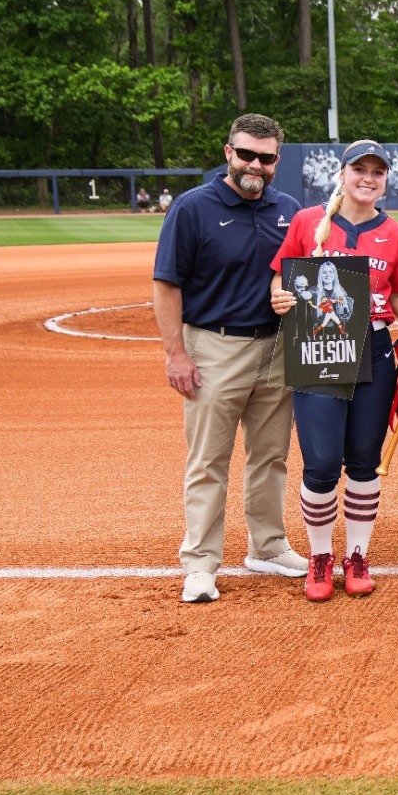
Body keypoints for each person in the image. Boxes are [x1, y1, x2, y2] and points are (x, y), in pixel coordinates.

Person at [152, 114, 307, 604]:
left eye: (265, 158)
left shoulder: (289, 208)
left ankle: (267, 545)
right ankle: (200, 562)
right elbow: (166, 283)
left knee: (271, 455)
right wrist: (176, 353)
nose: (254, 166)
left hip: (278, 347)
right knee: (208, 459)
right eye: (246, 155)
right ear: (228, 153)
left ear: (276, 161)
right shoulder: (193, 208)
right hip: (215, 346)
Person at [268, 140, 398, 603]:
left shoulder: (395, 234)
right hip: (319, 348)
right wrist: (279, 296)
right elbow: (281, 275)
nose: (368, 178)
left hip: (373, 349)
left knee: (363, 460)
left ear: (385, 179)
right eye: (360, 169)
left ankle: (356, 555)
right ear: (343, 173)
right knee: (323, 462)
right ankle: (319, 556)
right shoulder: (309, 222)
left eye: (377, 171)